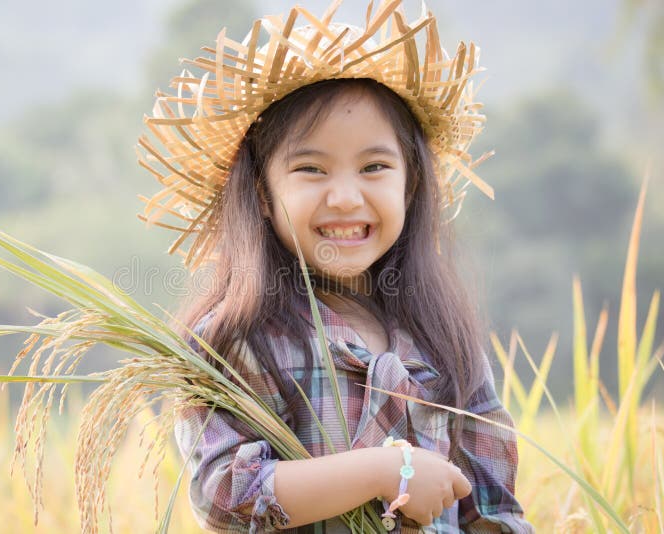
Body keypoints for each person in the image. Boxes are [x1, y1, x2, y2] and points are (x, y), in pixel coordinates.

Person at [137, 2, 534, 532]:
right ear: (261, 192)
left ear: (410, 184)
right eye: (311, 168)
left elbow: (494, 509)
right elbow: (225, 494)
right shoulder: (237, 339)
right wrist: (383, 471)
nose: (346, 197)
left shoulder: (446, 341)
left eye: (374, 167)